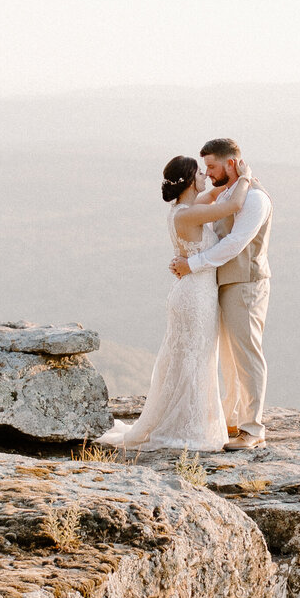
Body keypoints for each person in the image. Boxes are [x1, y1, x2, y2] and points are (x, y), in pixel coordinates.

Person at [99, 155, 249, 450]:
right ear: (190, 180)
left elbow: (216, 194)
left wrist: (230, 177)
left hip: (194, 292)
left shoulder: (187, 208)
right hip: (194, 297)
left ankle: (187, 420)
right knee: (193, 360)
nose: (206, 176)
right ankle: (188, 428)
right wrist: (245, 176)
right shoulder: (185, 215)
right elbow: (232, 205)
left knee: (191, 358)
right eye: (201, 173)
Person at [170, 138, 272, 449]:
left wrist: (193, 264)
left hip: (246, 283)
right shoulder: (230, 191)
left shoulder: (254, 199)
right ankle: (233, 419)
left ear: (231, 163)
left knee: (247, 354)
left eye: (212, 166)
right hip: (224, 284)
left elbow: (235, 244)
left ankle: (253, 429)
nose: (208, 173)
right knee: (229, 356)